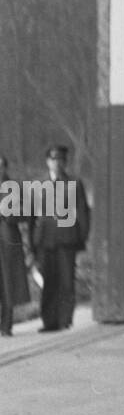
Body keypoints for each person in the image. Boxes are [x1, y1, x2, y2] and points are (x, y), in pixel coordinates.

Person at [32, 143, 90, 333]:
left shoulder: (74, 183)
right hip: (46, 240)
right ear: (48, 162)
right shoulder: (39, 185)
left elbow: (82, 212)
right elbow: (34, 216)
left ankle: (65, 319)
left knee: (66, 281)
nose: (56, 164)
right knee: (49, 281)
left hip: (67, 238)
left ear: (65, 163)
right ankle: (49, 321)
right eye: (53, 160)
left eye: (60, 160)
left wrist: (82, 237)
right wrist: (34, 241)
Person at [0, 154, 32, 335]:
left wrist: (7, 212)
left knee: (8, 283)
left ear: (5, 168)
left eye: (1, 166)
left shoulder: (15, 187)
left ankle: (6, 325)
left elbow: (26, 213)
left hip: (7, 240)